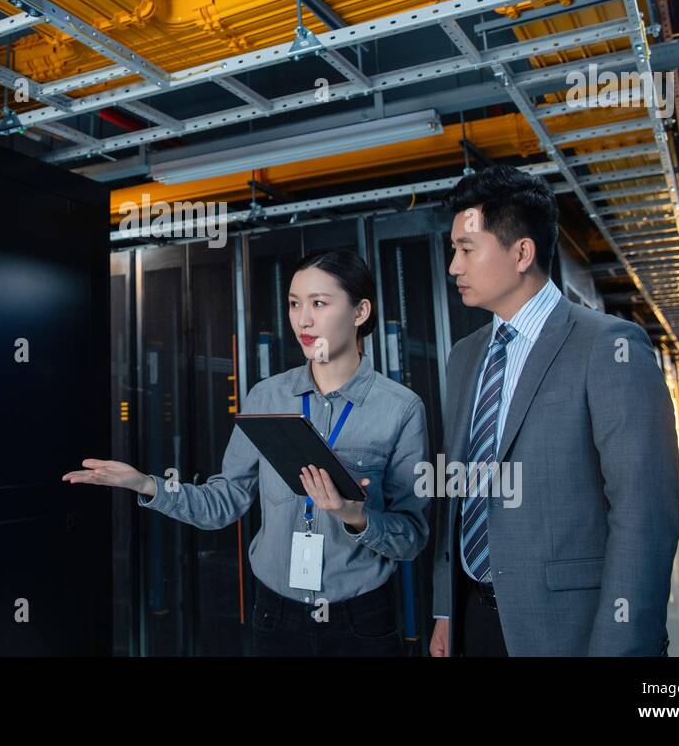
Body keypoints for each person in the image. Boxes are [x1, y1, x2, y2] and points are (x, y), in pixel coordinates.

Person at [64, 248, 429, 656]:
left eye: (319, 303)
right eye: (294, 304)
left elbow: (411, 539)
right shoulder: (266, 397)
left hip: (361, 622)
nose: (303, 320)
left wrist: (354, 516)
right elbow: (224, 501)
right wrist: (146, 484)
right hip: (275, 616)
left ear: (361, 311)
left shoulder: (400, 408)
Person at [430, 166, 679, 657]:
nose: (453, 267)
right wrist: (446, 608)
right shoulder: (465, 355)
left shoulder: (607, 346)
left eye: (465, 249)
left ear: (521, 253)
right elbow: (456, 489)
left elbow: (645, 513)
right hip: (473, 617)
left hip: (568, 629)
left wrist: (620, 646)